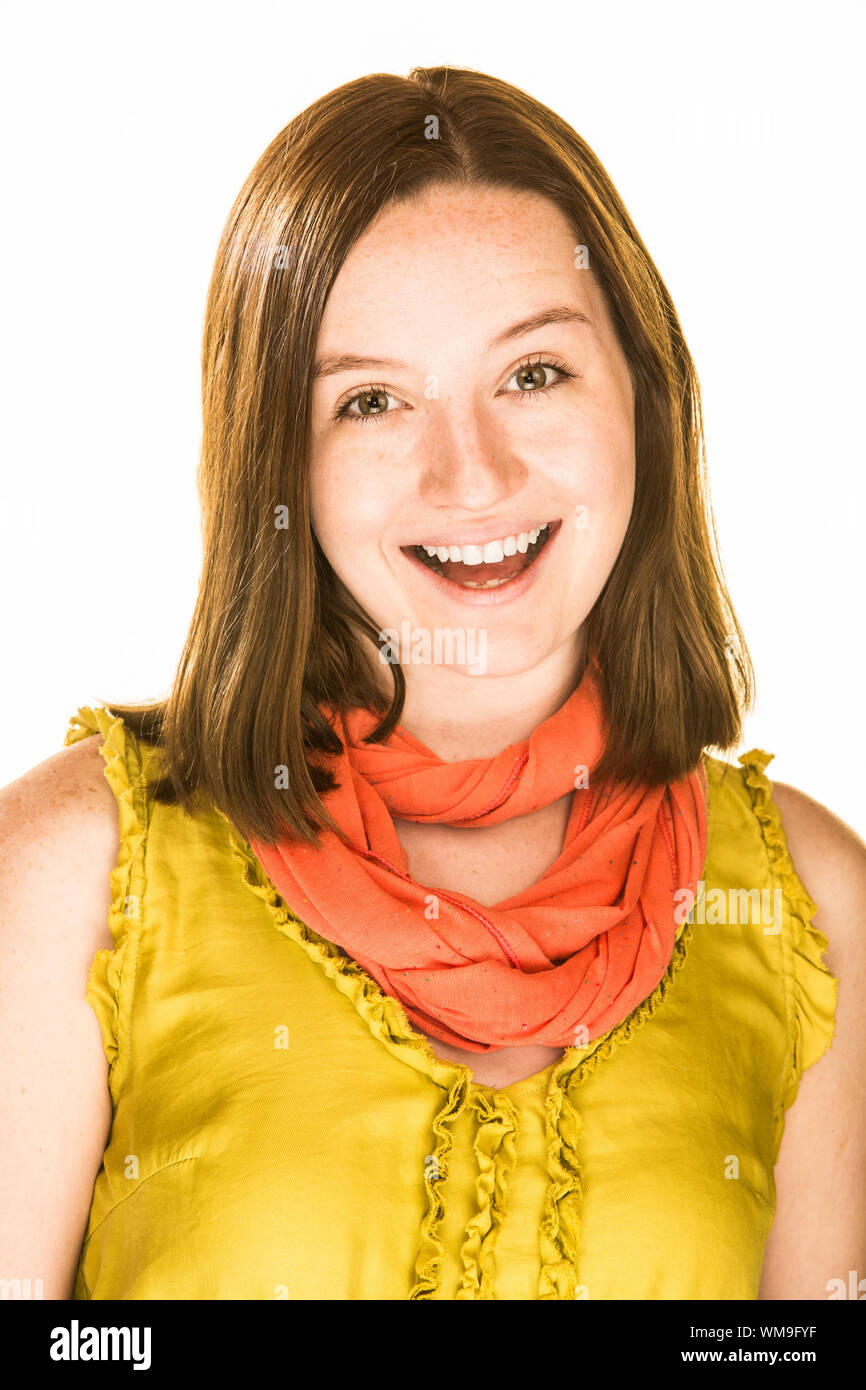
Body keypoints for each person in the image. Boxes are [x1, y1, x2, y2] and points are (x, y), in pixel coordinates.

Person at [1, 65, 864, 1303]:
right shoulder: (68, 873)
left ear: (645, 397)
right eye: (370, 401)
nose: (471, 475)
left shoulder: (813, 904)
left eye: (532, 374)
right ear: (274, 458)